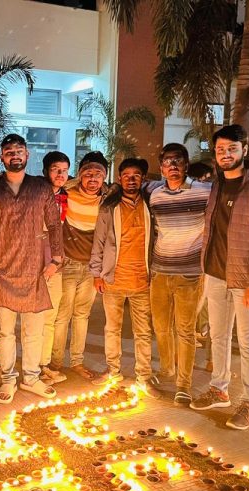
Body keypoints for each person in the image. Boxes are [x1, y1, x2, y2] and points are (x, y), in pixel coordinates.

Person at [192, 124, 249, 430]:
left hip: (246, 281)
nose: (225, 155)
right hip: (216, 274)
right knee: (218, 336)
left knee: (248, 341)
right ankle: (219, 388)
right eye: (220, 150)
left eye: (231, 149)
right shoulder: (217, 185)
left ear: (244, 149)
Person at [0, 133, 63, 404]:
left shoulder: (40, 187)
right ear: (1, 156)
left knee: (33, 331)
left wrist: (56, 258)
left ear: (27, 155)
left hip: (35, 270)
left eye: (19, 151)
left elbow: (55, 224)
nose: (15, 155)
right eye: (9, 151)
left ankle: (32, 378)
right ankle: (9, 378)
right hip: (2, 272)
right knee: (5, 332)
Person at [149, 143, 211, 404]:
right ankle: (167, 369)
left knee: (185, 330)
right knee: (161, 327)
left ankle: (183, 384)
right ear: (161, 167)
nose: (173, 166)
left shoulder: (205, 191)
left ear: (186, 165)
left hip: (189, 274)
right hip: (160, 273)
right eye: (167, 162)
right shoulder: (155, 195)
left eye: (178, 161)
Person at [90, 158, 159, 392]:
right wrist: (96, 273)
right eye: (127, 175)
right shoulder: (110, 207)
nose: (131, 179)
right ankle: (113, 370)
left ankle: (144, 376)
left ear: (142, 179)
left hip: (143, 281)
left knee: (143, 331)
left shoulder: (151, 205)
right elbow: (98, 241)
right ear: (119, 178)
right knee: (112, 328)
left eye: (136, 175)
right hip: (113, 279)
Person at [50, 152, 107, 382]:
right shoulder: (68, 193)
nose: (93, 178)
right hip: (68, 263)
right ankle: (55, 362)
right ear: (80, 175)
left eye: (98, 174)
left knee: (82, 315)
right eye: (88, 173)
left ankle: (76, 361)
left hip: (91, 266)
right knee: (62, 315)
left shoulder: (107, 200)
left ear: (104, 178)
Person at [39, 151, 70, 384]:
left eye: (64, 170)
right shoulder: (33, 194)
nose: (60, 174)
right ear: (45, 171)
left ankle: (43, 365)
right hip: (33, 263)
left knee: (50, 317)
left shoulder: (66, 196)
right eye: (55, 169)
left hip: (55, 264)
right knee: (33, 319)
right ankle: (31, 368)